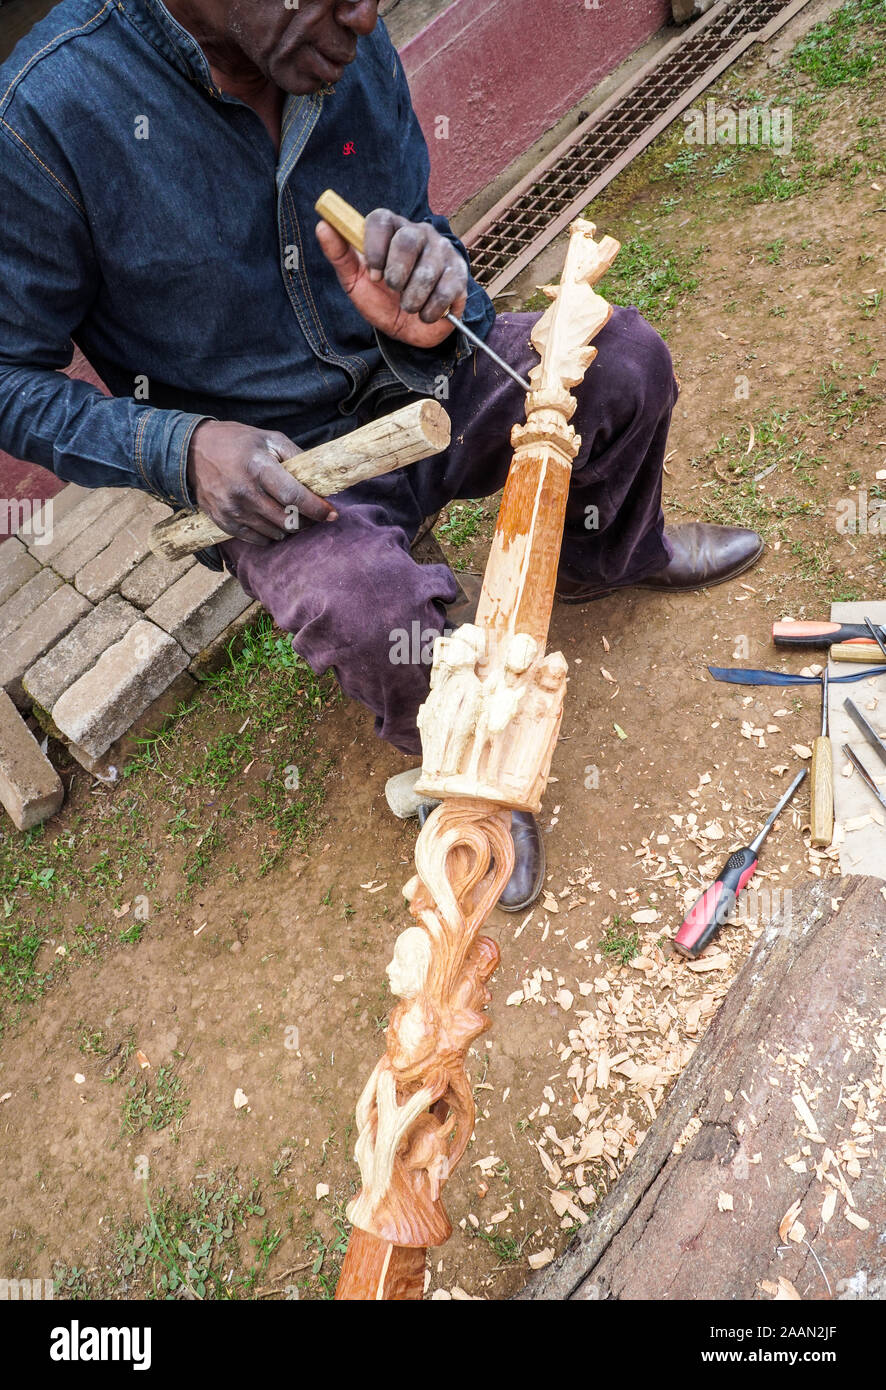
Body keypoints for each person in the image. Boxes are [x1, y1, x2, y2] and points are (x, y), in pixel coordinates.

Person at [0, 0, 762, 910]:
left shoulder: (334, 41)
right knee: (363, 604)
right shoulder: (46, 116)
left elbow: (427, 236)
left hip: (418, 383)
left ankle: (608, 555)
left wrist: (442, 298)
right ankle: (471, 770)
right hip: (283, 472)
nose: (363, 14)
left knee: (619, 361)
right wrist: (182, 446)